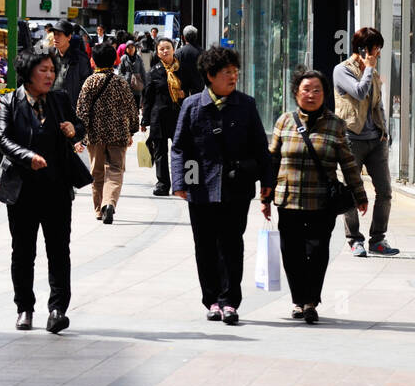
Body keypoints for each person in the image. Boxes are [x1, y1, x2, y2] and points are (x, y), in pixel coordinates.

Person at [171, 47, 272, 325]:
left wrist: (267, 183)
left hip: (236, 189)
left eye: (235, 71)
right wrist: (178, 182)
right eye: (227, 72)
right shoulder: (192, 106)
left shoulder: (246, 105)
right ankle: (212, 299)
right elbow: (179, 147)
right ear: (210, 76)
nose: (233, 76)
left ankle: (230, 302)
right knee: (204, 246)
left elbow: (261, 148)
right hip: (201, 189)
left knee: (231, 245)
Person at [261, 68, 367, 324]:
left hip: (322, 202)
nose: (311, 95)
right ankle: (299, 301)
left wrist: (359, 194)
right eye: (306, 90)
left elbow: (348, 163)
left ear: (325, 94)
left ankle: (311, 301)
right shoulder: (284, 121)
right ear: (296, 93)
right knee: (292, 252)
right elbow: (272, 160)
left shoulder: (335, 124)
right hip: (289, 200)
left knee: (318, 252)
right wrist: (265, 197)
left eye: (317, 90)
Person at [0, 50, 86, 333]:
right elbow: (2, 137)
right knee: (23, 252)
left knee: (59, 251)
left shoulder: (60, 100)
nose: (49, 75)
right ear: (28, 73)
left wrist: (75, 129)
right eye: (43, 70)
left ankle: (57, 309)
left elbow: (79, 127)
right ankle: (24, 308)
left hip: (57, 189)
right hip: (22, 191)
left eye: (51, 70)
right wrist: (27, 156)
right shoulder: (10, 102)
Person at [333, 26, 399, 257]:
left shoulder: (372, 70)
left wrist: (385, 132)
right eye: (376, 49)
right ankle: (354, 239)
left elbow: (377, 103)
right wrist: (369, 69)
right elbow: (360, 93)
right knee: (352, 190)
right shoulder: (341, 71)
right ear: (363, 49)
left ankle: (378, 239)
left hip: (376, 140)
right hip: (352, 139)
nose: (378, 54)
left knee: (385, 191)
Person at [76, 43, 139, 224]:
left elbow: (81, 111)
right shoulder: (121, 82)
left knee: (97, 172)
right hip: (118, 134)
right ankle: (109, 203)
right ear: (115, 60)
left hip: (95, 135)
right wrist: (132, 130)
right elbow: (131, 109)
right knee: (116, 170)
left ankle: (98, 210)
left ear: (93, 61)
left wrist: (79, 135)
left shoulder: (90, 82)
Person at [140, 37, 198, 195]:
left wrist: (186, 93)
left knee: (182, 150)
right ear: (158, 53)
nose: (165, 51)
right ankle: (163, 183)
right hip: (158, 116)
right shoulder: (154, 71)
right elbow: (148, 97)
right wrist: (144, 120)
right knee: (160, 152)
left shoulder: (184, 69)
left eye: (168, 48)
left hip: (180, 115)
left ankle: (184, 183)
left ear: (174, 49)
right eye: (161, 49)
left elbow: (197, 87)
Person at [49, 19, 92, 110]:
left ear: (69, 37)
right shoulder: (49, 56)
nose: (55, 37)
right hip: (52, 106)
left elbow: (87, 87)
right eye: (54, 34)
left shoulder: (80, 59)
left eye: (59, 34)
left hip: (72, 108)